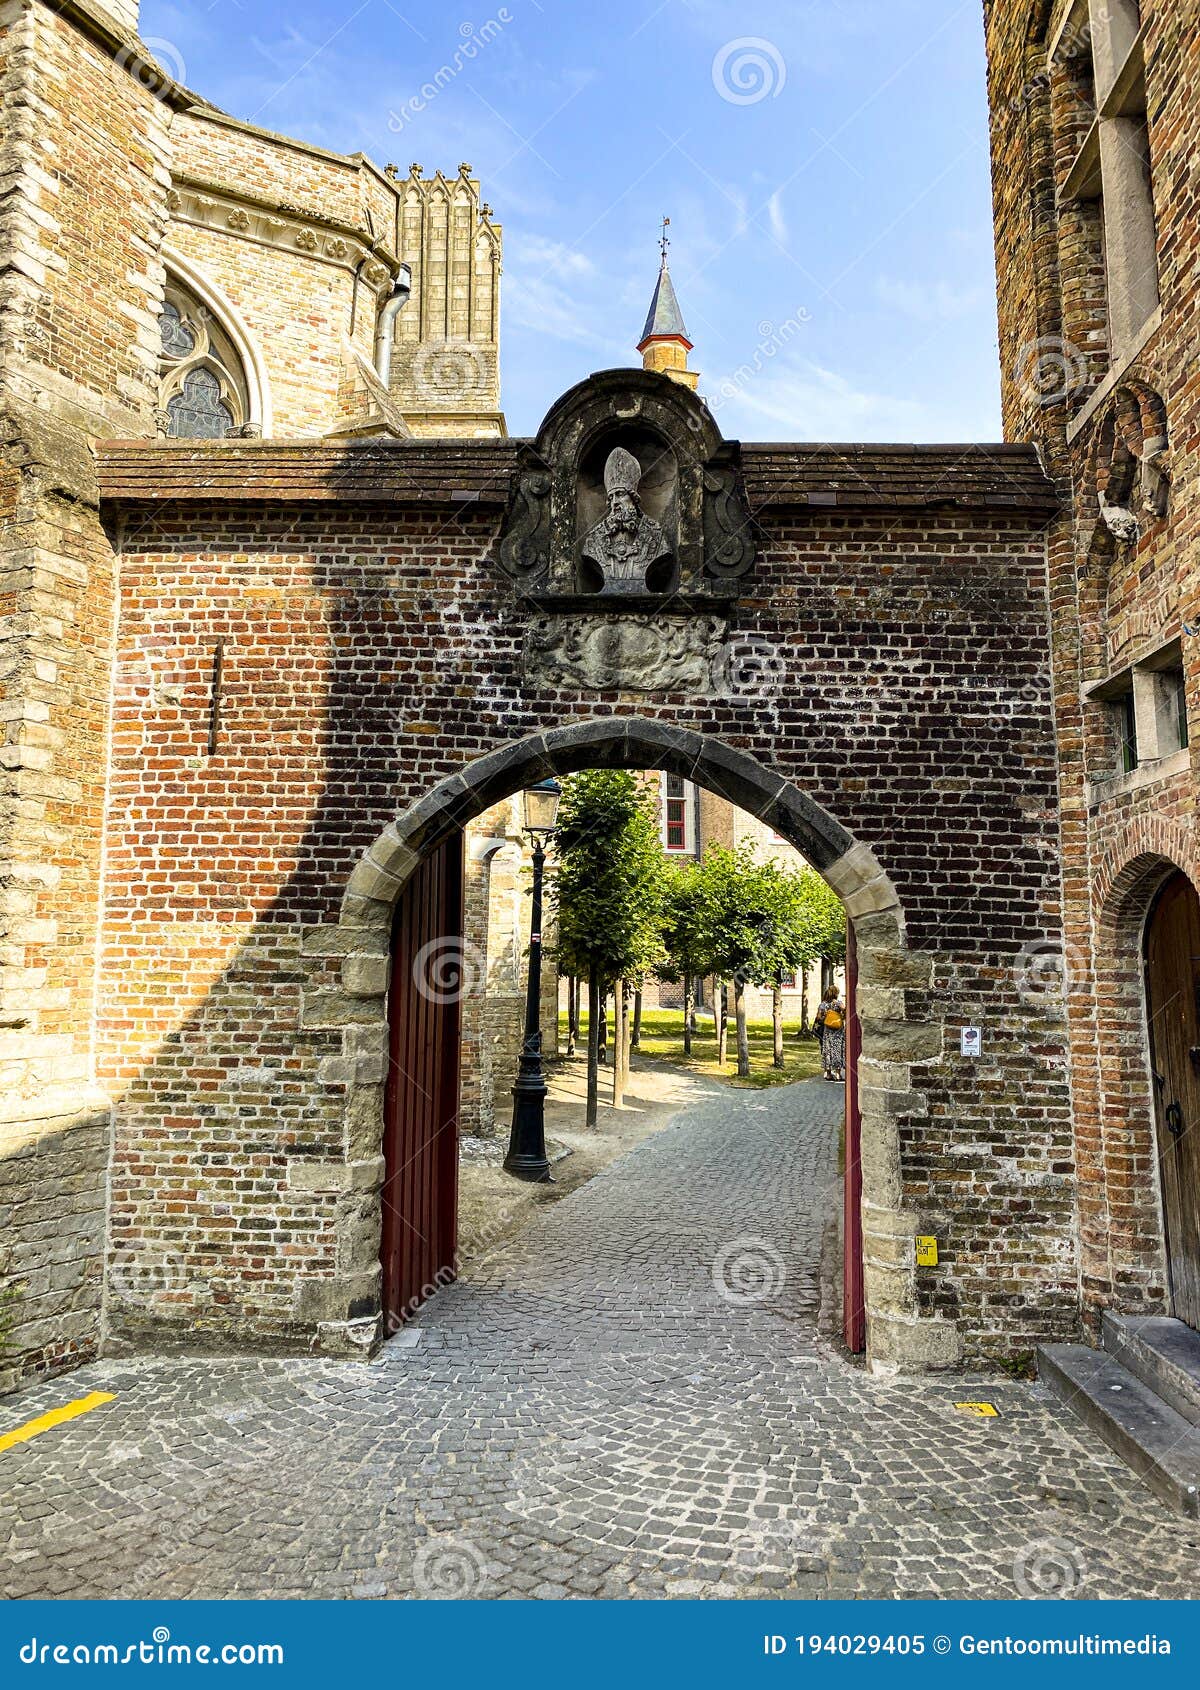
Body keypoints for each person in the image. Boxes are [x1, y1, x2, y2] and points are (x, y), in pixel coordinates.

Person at [813, 984, 847, 1082]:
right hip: (838, 1030)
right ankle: (837, 1074)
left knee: (827, 1050)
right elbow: (845, 1012)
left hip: (827, 1031)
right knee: (838, 1050)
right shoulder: (838, 1003)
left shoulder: (823, 1004)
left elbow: (818, 1017)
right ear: (836, 993)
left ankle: (828, 1074)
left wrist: (826, 1017)